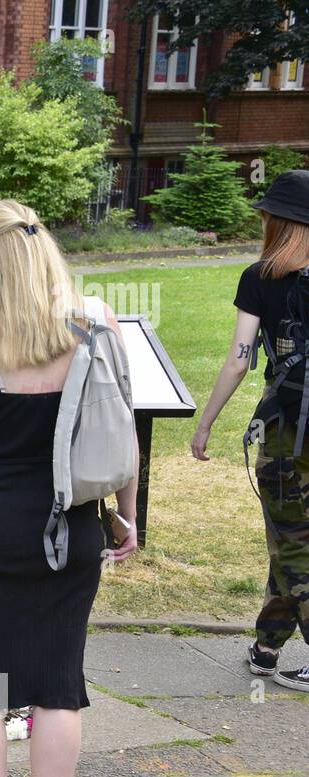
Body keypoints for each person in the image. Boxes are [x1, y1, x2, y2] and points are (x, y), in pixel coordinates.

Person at [0, 199, 139, 777]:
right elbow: (122, 431)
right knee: (58, 683)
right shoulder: (95, 318)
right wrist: (126, 514)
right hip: (69, 527)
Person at [191, 169, 309, 694]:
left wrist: (206, 422)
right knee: (292, 540)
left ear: (278, 223)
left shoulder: (259, 277)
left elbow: (239, 361)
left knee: (294, 543)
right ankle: (267, 647)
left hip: (286, 430)